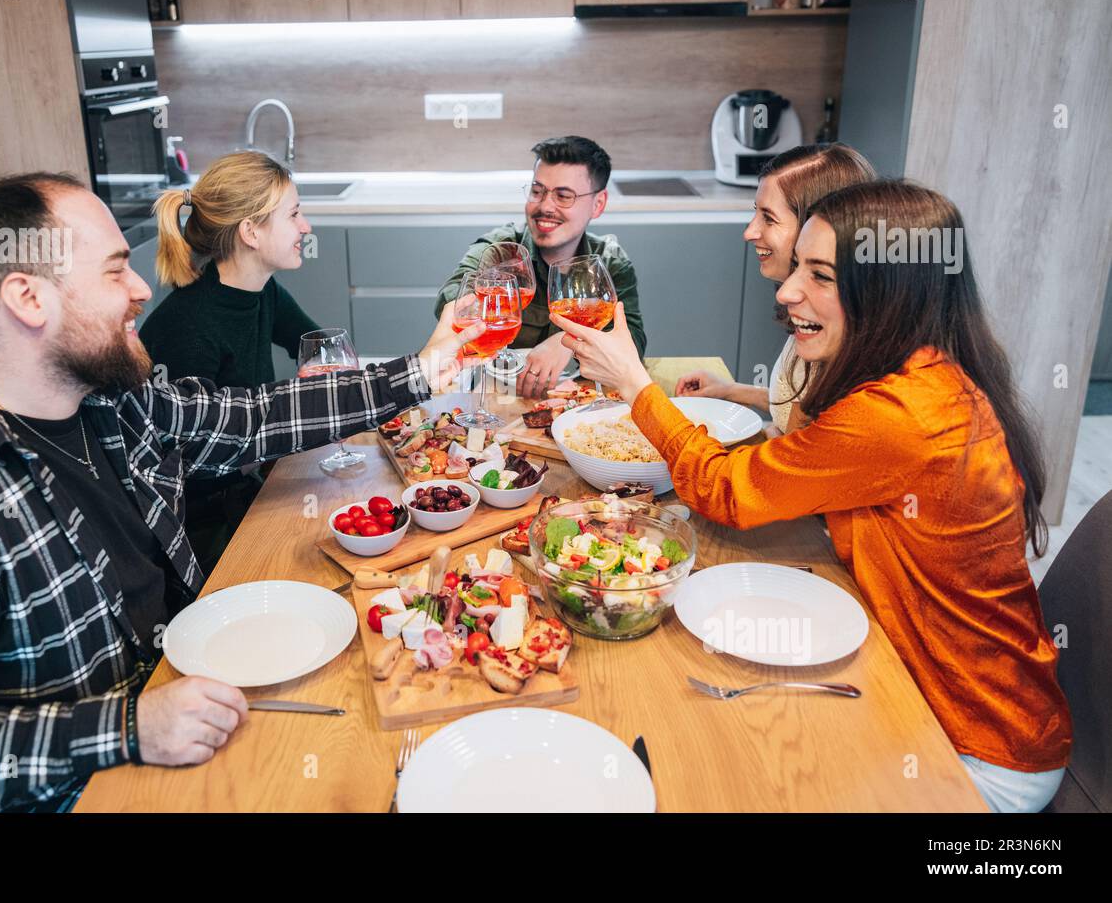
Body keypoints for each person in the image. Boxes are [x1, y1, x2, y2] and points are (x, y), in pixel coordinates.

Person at [0, 172, 478, 812]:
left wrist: (423, 369)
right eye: (113, 270)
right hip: (90, 783)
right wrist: (128, 725)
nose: (141, 286)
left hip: (189, 698)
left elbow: (253, 416)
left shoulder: (116, 399)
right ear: (27, 299)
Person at [553, 180, 1071, 812]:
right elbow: (788, 464)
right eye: (798, 264)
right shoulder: (917, 372)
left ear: (890, 293)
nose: (787, 290)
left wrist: (636, 384)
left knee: (748, 776)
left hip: (975, 746)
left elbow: (729, 491)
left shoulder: (900, 415)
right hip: (929, 692)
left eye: (820, 275)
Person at [140, 151, 321, 571]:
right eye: (293, 215)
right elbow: (197, 457)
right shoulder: (188, 326)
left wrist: (325, 378)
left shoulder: (262, 292)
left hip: (246, 487)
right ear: (251, 232)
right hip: (201, 531)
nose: (306, 227)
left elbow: (319, 347)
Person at [675, 144, 876, 434]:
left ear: (817, 226)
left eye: (768, 218)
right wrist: (730, 390)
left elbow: (798, 439)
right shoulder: (816, 316)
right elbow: (794, 404)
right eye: (756, 213)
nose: (749, 232)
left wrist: (635, 384)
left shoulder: (836, 341)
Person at [433, 135, 646, 398]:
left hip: (579, 399)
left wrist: (569, 342)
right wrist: (495, 300)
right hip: (501, 397)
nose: (545, 206)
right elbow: (451, 298)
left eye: (563, 196)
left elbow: (633, 344)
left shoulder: (610, 261)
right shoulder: (501, 249)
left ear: (598, 204)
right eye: (537, 191)